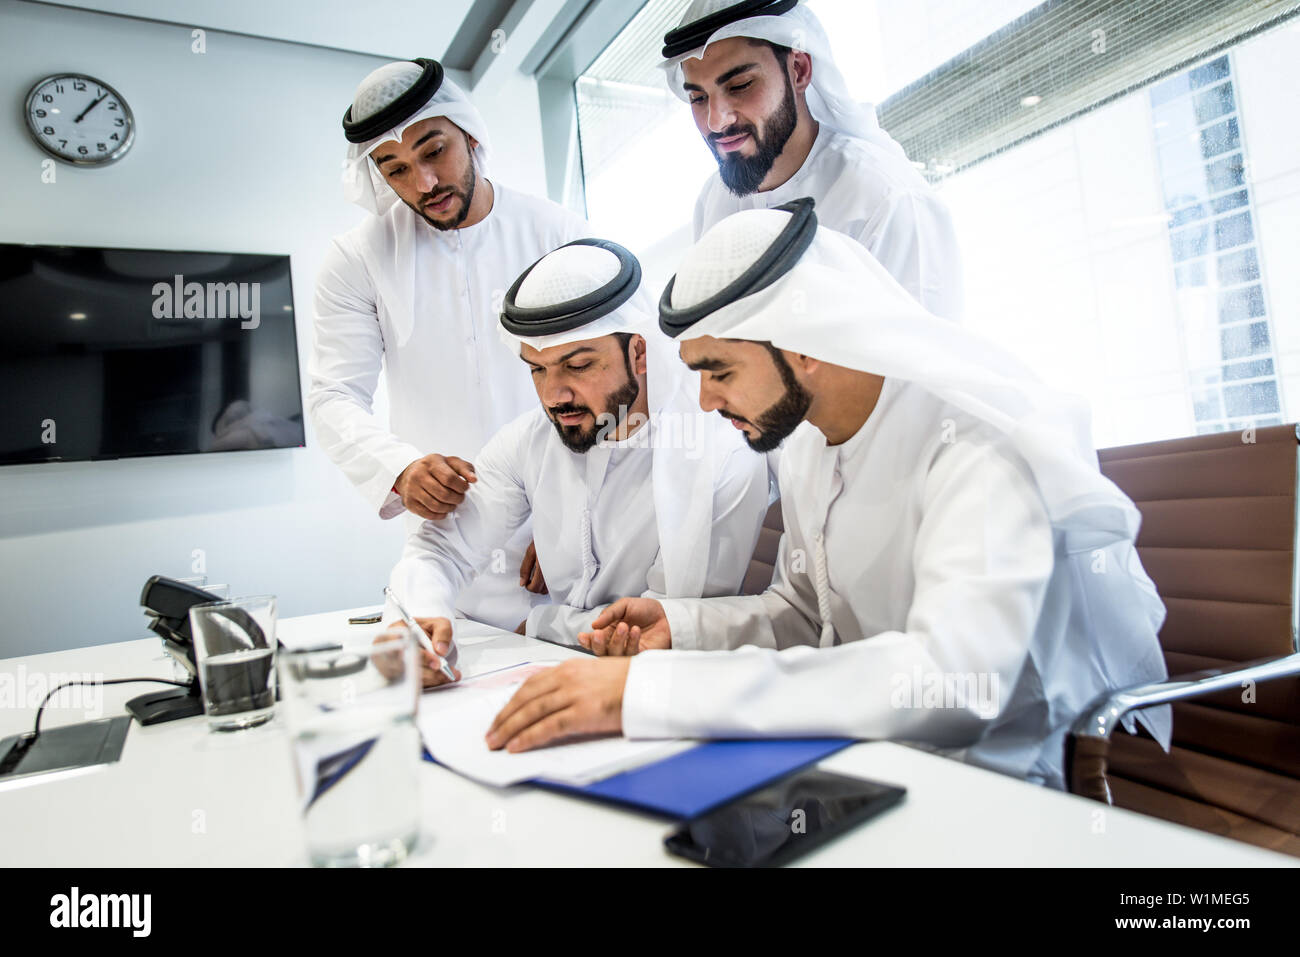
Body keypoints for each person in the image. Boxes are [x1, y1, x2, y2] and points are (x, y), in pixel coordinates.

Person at [485, 198, 1171, 790]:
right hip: (857, 756)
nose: (703, 398)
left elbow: (955, 681)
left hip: (994, 779)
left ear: (806, 343)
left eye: (719, 369)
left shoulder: (974, 445)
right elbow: (801, 612)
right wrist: (679, 626)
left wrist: (652, 692)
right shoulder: (810, 441)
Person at [389, 239, 768, 686]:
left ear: (639, 353)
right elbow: (440, 549)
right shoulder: (531, 439)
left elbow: (664, 625)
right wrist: (423, 618)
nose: (554, 395)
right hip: (550, 671)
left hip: (669, 691)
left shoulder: (719, 453)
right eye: (538, 369)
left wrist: (535, 624)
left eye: (579, 364)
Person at [309, 58, 588, 629]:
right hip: (445, 551)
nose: (423, 184)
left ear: (471, 135)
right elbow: (333, 395)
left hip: (567, 548)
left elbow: (615, 385)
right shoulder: (358, 259)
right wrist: (400, 468)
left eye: (434, 152)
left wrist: (581, 514)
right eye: (395, 170)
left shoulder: (558, 234)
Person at [662, 0, 963, 320]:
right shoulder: (714, 200)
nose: (716, 121)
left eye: (740, 86)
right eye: (698, 98)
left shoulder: (886, 199)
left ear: (799, 70)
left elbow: (920, 363)